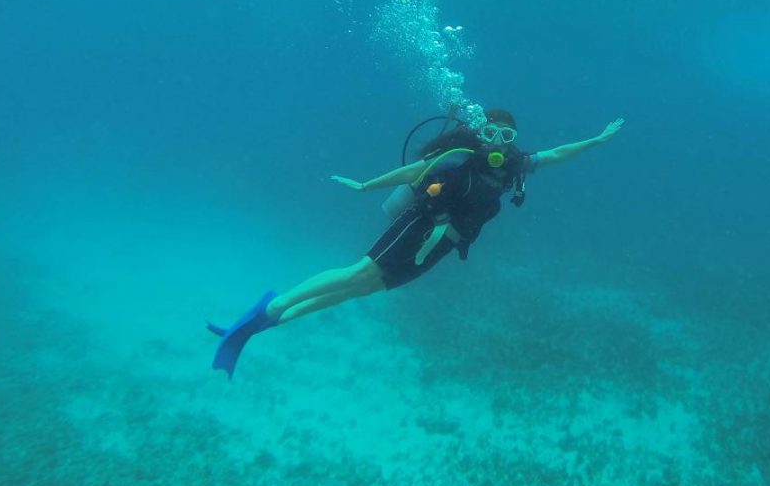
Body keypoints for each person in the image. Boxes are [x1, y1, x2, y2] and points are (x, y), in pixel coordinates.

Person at [208, 109, 625, 377]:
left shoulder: (516, 164)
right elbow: (413, 172)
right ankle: (273, 305)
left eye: (507, 135)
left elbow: (556, 154)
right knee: (358, 272)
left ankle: (269, 322)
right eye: (492, 133)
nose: (498, 143)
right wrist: (364, 186)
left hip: (443, 245)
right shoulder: (463, 156)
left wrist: (596, 141)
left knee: (363, 290)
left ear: (513, 138)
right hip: (420, 223)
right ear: (482, 132)